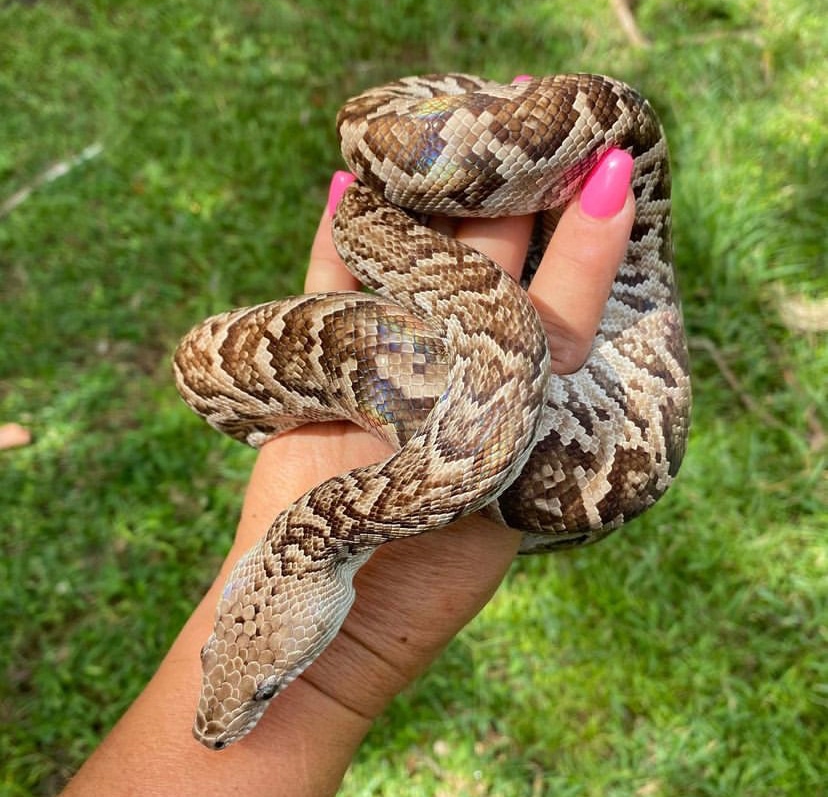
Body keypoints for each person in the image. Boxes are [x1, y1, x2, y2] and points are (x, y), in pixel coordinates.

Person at [61, 150, 635, 796]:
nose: (219, 728)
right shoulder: (430, 489)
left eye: (268, 687)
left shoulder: (419, 494)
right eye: (266, 687)